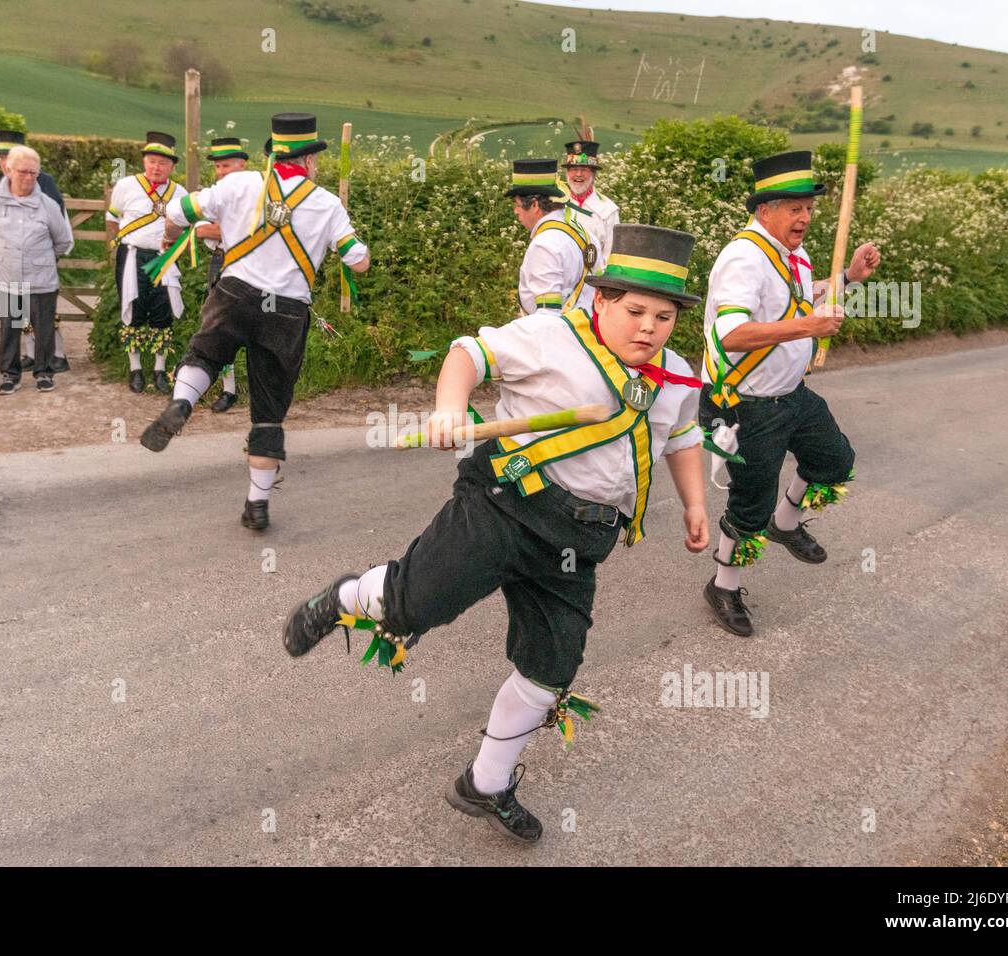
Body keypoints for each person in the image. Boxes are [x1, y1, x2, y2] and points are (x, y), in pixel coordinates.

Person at [283, 224, 710, 843]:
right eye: (636, 310)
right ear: (601, 301)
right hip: (504, 505)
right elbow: (469, 353)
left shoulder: (674, 376)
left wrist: (695, 504)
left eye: (664, 316)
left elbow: (683, 438)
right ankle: (348, 596)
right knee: (414, 605)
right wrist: (451, 405)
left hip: (580, 542)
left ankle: (486, 783)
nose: (649, 327)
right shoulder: (552, 335)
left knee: (551, 669)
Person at [140, 112, 370, 531]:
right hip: (285, 313)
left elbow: (178, 210)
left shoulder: (240, 182)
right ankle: (257, 506)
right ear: (309, 161)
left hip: (234, 294)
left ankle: (182, 403)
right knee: (268, 414)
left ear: (274, 154)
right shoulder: (327, 203)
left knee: (205, 355)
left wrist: (176, 233)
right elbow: (359, 261)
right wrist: (340, 237)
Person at [699, 150, 880, 637]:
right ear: (764, 210)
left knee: (834, 461)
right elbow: (729, 334)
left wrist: (846, 280)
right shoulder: (743, 257)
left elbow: (797, 300)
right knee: (747, 508)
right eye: (793, 207)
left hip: (791, 394)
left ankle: (786, 522)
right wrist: (807, 326)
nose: (804, 217)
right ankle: (724, 585)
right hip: (747, 405)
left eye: (809, 207)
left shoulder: (792, 254)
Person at [0, 145, 74, 394]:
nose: (28, 178)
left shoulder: (48, 204)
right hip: (6, 276)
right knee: (9, 326)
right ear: (9, 170)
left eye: (33, 173)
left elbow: (62, 240)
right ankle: (10, 374)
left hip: (41, 278)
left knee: (43, 327)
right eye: (22, 172)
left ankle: (44, 372)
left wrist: (40, 258)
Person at [106, 132, 188, 393]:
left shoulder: (180, 193)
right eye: (152, 161)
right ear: (144, 162)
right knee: (134, 309)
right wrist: (112, 249)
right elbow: (112, 217)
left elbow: (186, 229)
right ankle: (135, 370)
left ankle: (160, 370)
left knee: (162, 312)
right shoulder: (126, 186)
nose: (156, 167)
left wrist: (175, 246)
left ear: (172, 166)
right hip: (131, 256)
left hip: (164, 259)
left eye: (163, 163)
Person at [508, 158, 592, 315]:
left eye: (518, 205)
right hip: (586, 332)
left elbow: (548, 314)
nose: (516, 211)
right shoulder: (585, 234)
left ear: (534, 205)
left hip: (557, 335)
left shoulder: (544, 245)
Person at [201, 137, 249, 413]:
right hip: (221, 261)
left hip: (250, 263)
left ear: (241, 165)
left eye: (226, 165)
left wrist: (205, 229)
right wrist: (207, 229)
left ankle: (262, 385)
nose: (220, 171)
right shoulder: (215, 192)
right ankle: (228, 390)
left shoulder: (255, 193)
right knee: (219, 326)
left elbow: (214, 230)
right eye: (218, 166)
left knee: (258, 325)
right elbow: (206, 228)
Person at [561, 139, 619, 271]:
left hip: (593, 287)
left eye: (584, 169)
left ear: (593, 174)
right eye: (574, 169)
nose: (578, 174)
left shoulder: (608, 210)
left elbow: (611, 257)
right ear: (567, 173)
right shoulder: (556, 204)